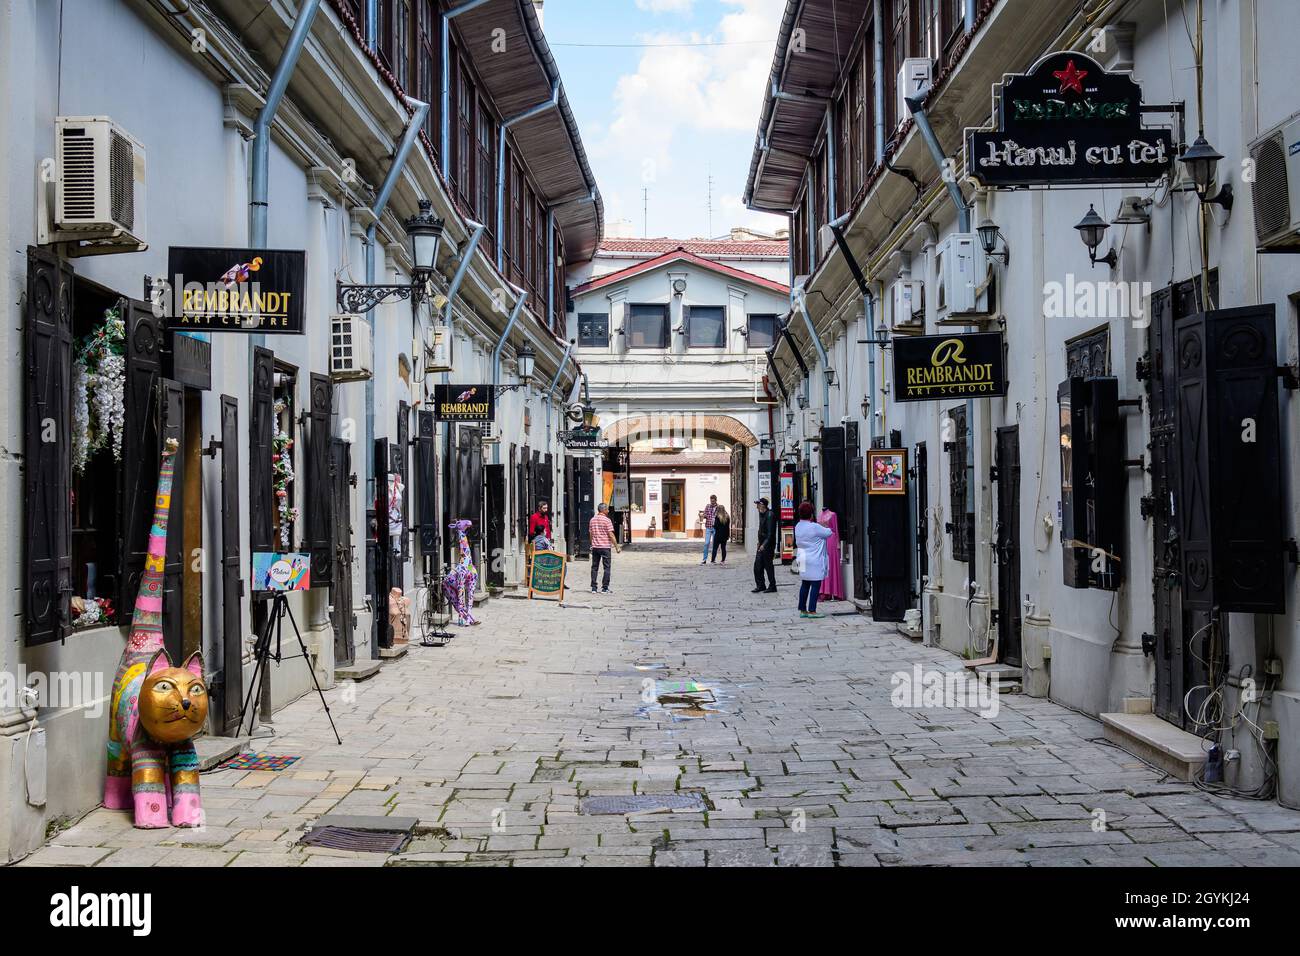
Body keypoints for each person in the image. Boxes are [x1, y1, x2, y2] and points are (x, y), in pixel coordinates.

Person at [794, 501, 833, 619]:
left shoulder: (797, 526)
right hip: (814, 559)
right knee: (815, 584)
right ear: (811, 514)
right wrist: (824, 526)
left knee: (805, 584)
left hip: (802, 557)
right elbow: (828, 533)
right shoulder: (814, 527)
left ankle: (802, 609)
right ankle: (812, 610)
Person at [589, 502, 619, 593]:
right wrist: (617, 547)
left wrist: (592, 544)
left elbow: (591, 534)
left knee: (594, 567)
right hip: (605, 547)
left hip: (595, 547)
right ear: (604, 510)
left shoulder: (592, 520)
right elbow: (611, 535)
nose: (608, 510)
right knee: (606, 567)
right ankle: (604, 588)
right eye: (607, 509)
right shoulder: (607, 520)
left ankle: (594, 587)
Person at [752, 497, 777, 594]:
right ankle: (760, 585)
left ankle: (772, 585)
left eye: (758, 504)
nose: (757, 506)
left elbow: (770, 533)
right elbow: (761, 529)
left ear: (763, 505)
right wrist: (759, 542)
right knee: (757, 566)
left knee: (768, 565)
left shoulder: (770, 515)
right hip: (761, 543)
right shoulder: (761, 514)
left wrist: (764, 544)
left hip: (768, 545)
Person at [699, 494, 718, 565]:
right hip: (708, 527)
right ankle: (704, 559)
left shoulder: (718, 507)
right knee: (706, 543)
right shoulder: (707, 506)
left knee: (714, 544)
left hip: (715, 528)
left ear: (715, 500)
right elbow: (705, 515)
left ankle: (713, 559)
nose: (712, 503)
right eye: (711, 501)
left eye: (713, 501)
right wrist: (703, 516)